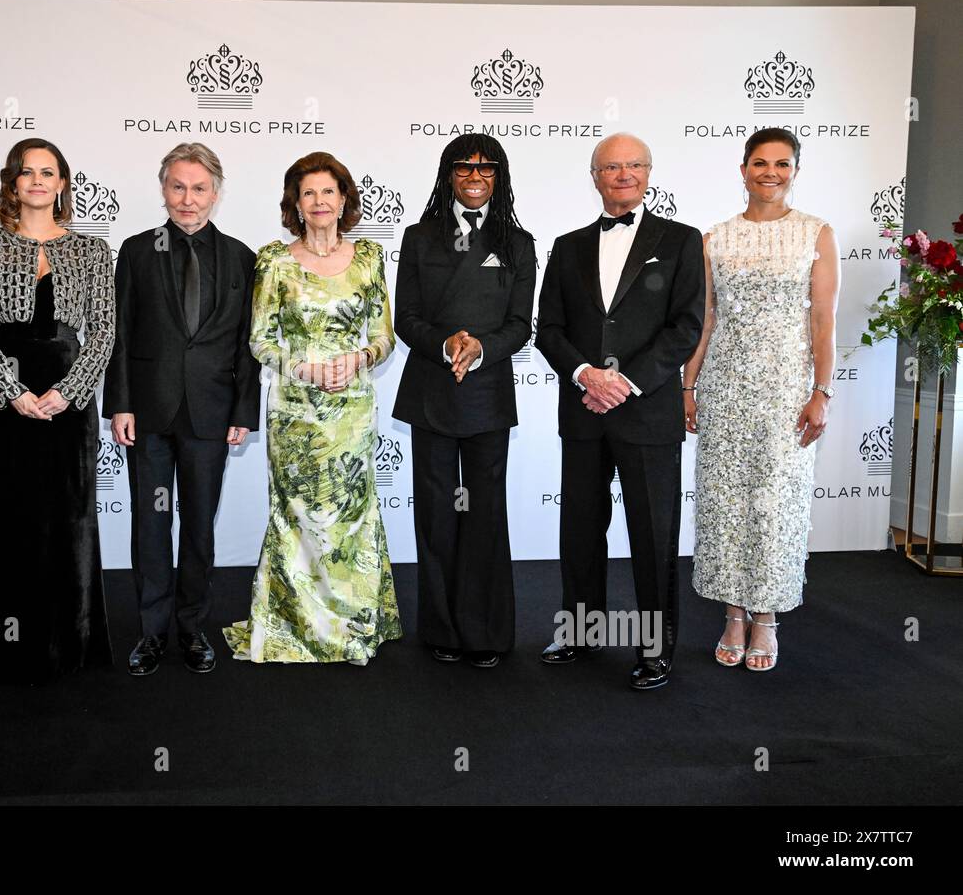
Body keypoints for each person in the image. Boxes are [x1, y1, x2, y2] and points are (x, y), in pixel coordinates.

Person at [535, 132, 705, 691]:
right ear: (595, 177)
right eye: (611, 166)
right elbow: (549, 329)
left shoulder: (681, 241)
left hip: (647, 411)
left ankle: (656, 650)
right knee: (581, 529)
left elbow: (686, 326)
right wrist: (587, 375)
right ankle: (581, 633)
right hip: (584, 408)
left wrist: (625, 382)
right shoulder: (566, 245)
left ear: (649, 173)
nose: (623, 174)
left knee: (652, 535)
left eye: (634, 165)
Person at [222, 151, 400, 664]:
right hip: (295, 412)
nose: (319, 202)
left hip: (352, 412)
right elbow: (259, 339)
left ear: (343, 199)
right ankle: (294, 626)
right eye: (308, 194)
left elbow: (384, 336)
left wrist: (362, 358)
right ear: (294, 204)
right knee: (297, 515)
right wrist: (302, 367)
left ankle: (350, 624)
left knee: (350, 515)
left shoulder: (369, 256)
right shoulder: (274, 261)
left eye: (328, 191)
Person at [0, 138, 115, 683]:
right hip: (8, 403)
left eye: (49, 172)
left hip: (71, 403)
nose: (38, 181)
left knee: (71, 521)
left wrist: (70, 391)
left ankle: (71, 641)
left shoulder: (94, 251)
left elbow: (103, 332)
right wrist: (11, 390)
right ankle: (13, 647)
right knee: (12, 517)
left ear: (63, 182)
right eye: (27, 172)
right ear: (12, 181)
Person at [684, 128, 838, 672]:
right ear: (742, 169)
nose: (770, 172)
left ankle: (767, 617)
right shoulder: (715, 238)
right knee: (725, 501)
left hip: (786, 391)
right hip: (725, 386)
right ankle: (732, 614)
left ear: (796, 170)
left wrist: (821, 391)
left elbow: (822, 320)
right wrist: (689, 384)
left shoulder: (815, 234)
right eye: (760, 162)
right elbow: (706, 319)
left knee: (777, 503)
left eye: (782, 163)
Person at [103, 143, 260, 676]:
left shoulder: (242, 257)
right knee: (151, 523)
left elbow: (246, 344)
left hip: (211, 414)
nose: (187, 200)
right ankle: (150, 633)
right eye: (177, 187)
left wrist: (243, 411)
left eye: (198, 189)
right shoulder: (135, 250)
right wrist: (119, 403)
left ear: (215, 193)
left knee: (198, 526)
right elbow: (118, 334)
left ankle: (193, 630)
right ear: (163, 188)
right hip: (148, 413)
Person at [392, 135, 536, 668]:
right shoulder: (419, 236)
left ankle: (486, 634)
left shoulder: (518, 243)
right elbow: (405, 317)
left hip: (487, 394)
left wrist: (480, 348)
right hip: (431, 391)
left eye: (486, 168)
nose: (475, 177)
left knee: (483, 516)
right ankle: (442, 630)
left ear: (499, 177)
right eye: (464, 168)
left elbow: (521, 324)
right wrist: (445, 343)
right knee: (436, 516)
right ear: (448, 175)